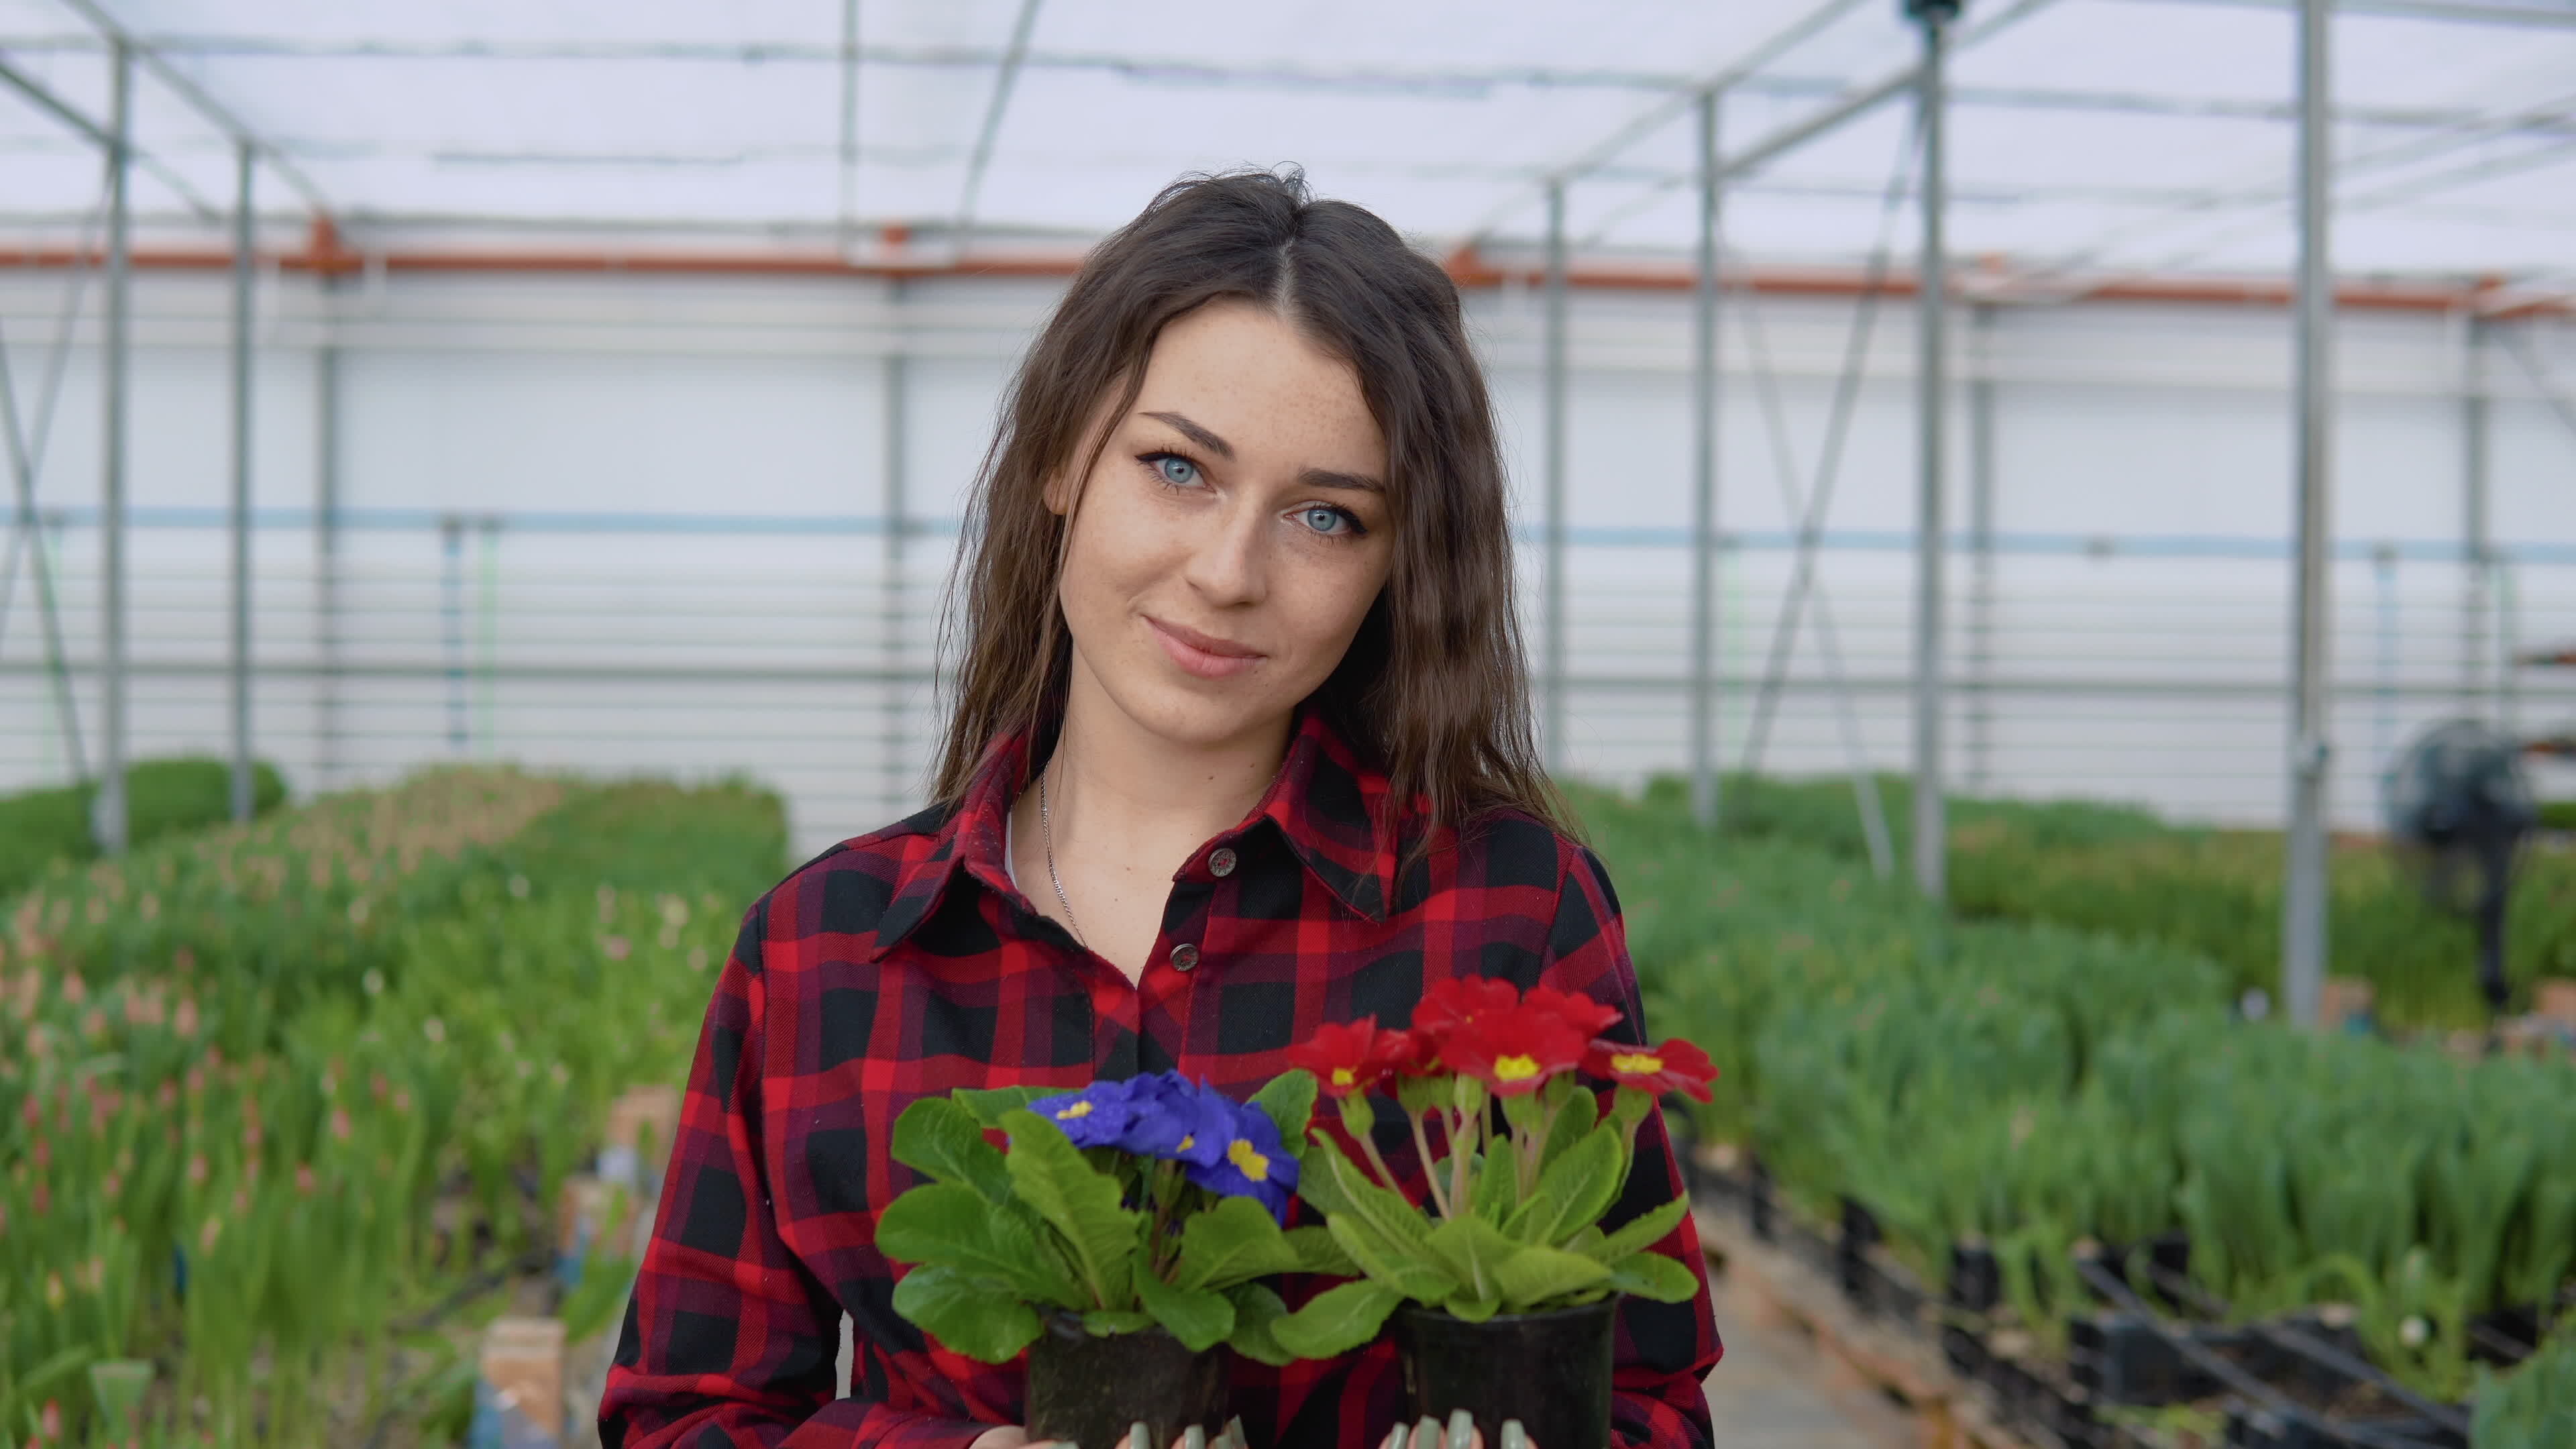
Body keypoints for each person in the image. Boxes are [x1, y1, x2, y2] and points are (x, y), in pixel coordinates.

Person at [600, 168, 1719, 1449]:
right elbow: (685, 1419)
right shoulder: (822, 951)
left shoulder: (1510, 910)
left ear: (1397, 565)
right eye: (1178, 468)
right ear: (1066, 457)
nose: (1229, 572)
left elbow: (1645, 1397)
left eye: (1324, 516)